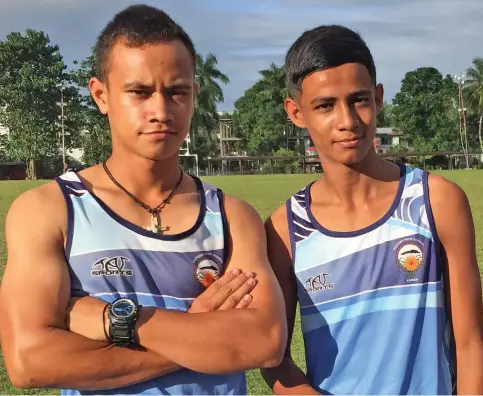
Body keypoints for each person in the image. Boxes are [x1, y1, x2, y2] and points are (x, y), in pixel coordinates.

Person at [0, 4, 287, 395]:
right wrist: (197, 331)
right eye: (139, 91)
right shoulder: (49, 211)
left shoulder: (233, 216)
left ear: (193, 95)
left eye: (176, 92)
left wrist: (122, 320)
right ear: (100, 95)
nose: (161, 111)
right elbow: (30, 362)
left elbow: (264, 342)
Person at [260, 25, 483, 395]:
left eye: (359, 100)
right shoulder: (285, 230)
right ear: (296, 112)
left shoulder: (436, 201)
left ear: (379, 98)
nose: (347, 120)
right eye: (324, 105)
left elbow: (471, 344)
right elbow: (273, 360)